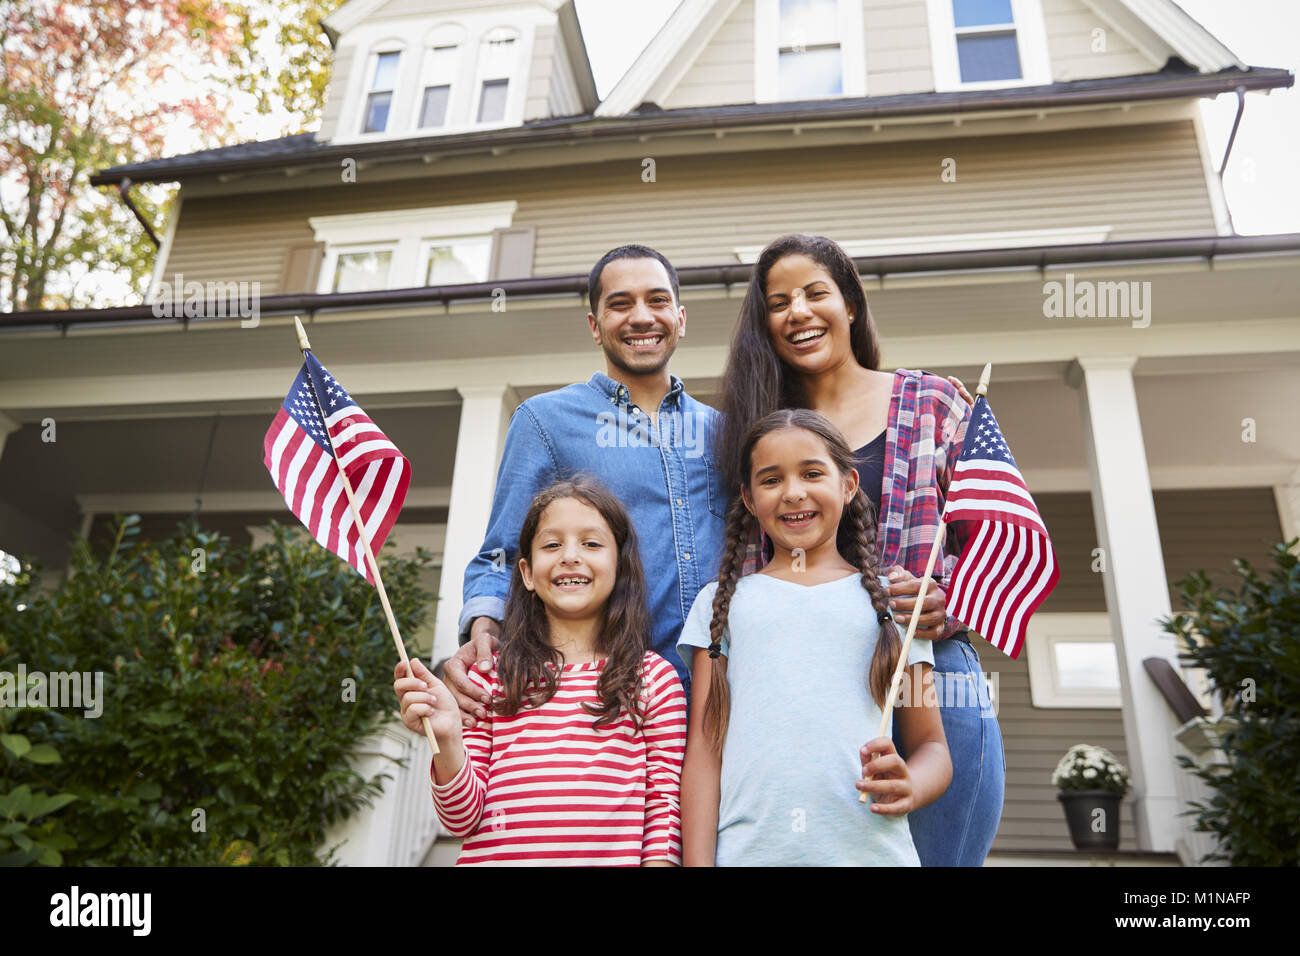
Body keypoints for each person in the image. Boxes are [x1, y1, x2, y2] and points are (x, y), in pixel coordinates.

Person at [711, 233, 1003, 867]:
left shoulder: (933, 403)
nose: (799, 311)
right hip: (801, 690)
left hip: (925, 675)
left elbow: (992, 542)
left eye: (817, 293)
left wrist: (944, 597)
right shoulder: (758, 425)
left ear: (850, 303)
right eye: (778, 301)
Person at [443, 244, 727, 725]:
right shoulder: (544, 421)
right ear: (595, 326)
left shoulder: (725, 432)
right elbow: (503, 553)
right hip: (608, 703)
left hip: (722, 699)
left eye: (657, 301)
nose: (641, 317)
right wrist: (483, 626)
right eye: (620, 304)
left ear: (680, 318)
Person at [678, 409, 950, 866]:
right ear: (747, 498)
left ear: (848, 485)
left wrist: (912, 783)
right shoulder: (719, 606)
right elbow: (704, 755)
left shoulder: (894, 604)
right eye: (771, 480)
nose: (793, 493)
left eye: (811, 473)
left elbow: (933, 748)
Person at [394, 476, 686, 866]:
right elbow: (460, 819)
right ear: (528, 573)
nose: (570, 556)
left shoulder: (653, 678)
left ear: (619, 566)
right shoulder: (490, 678)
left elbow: (664, 813)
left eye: (592, 543)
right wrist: (447, 739)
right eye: (552, 544)